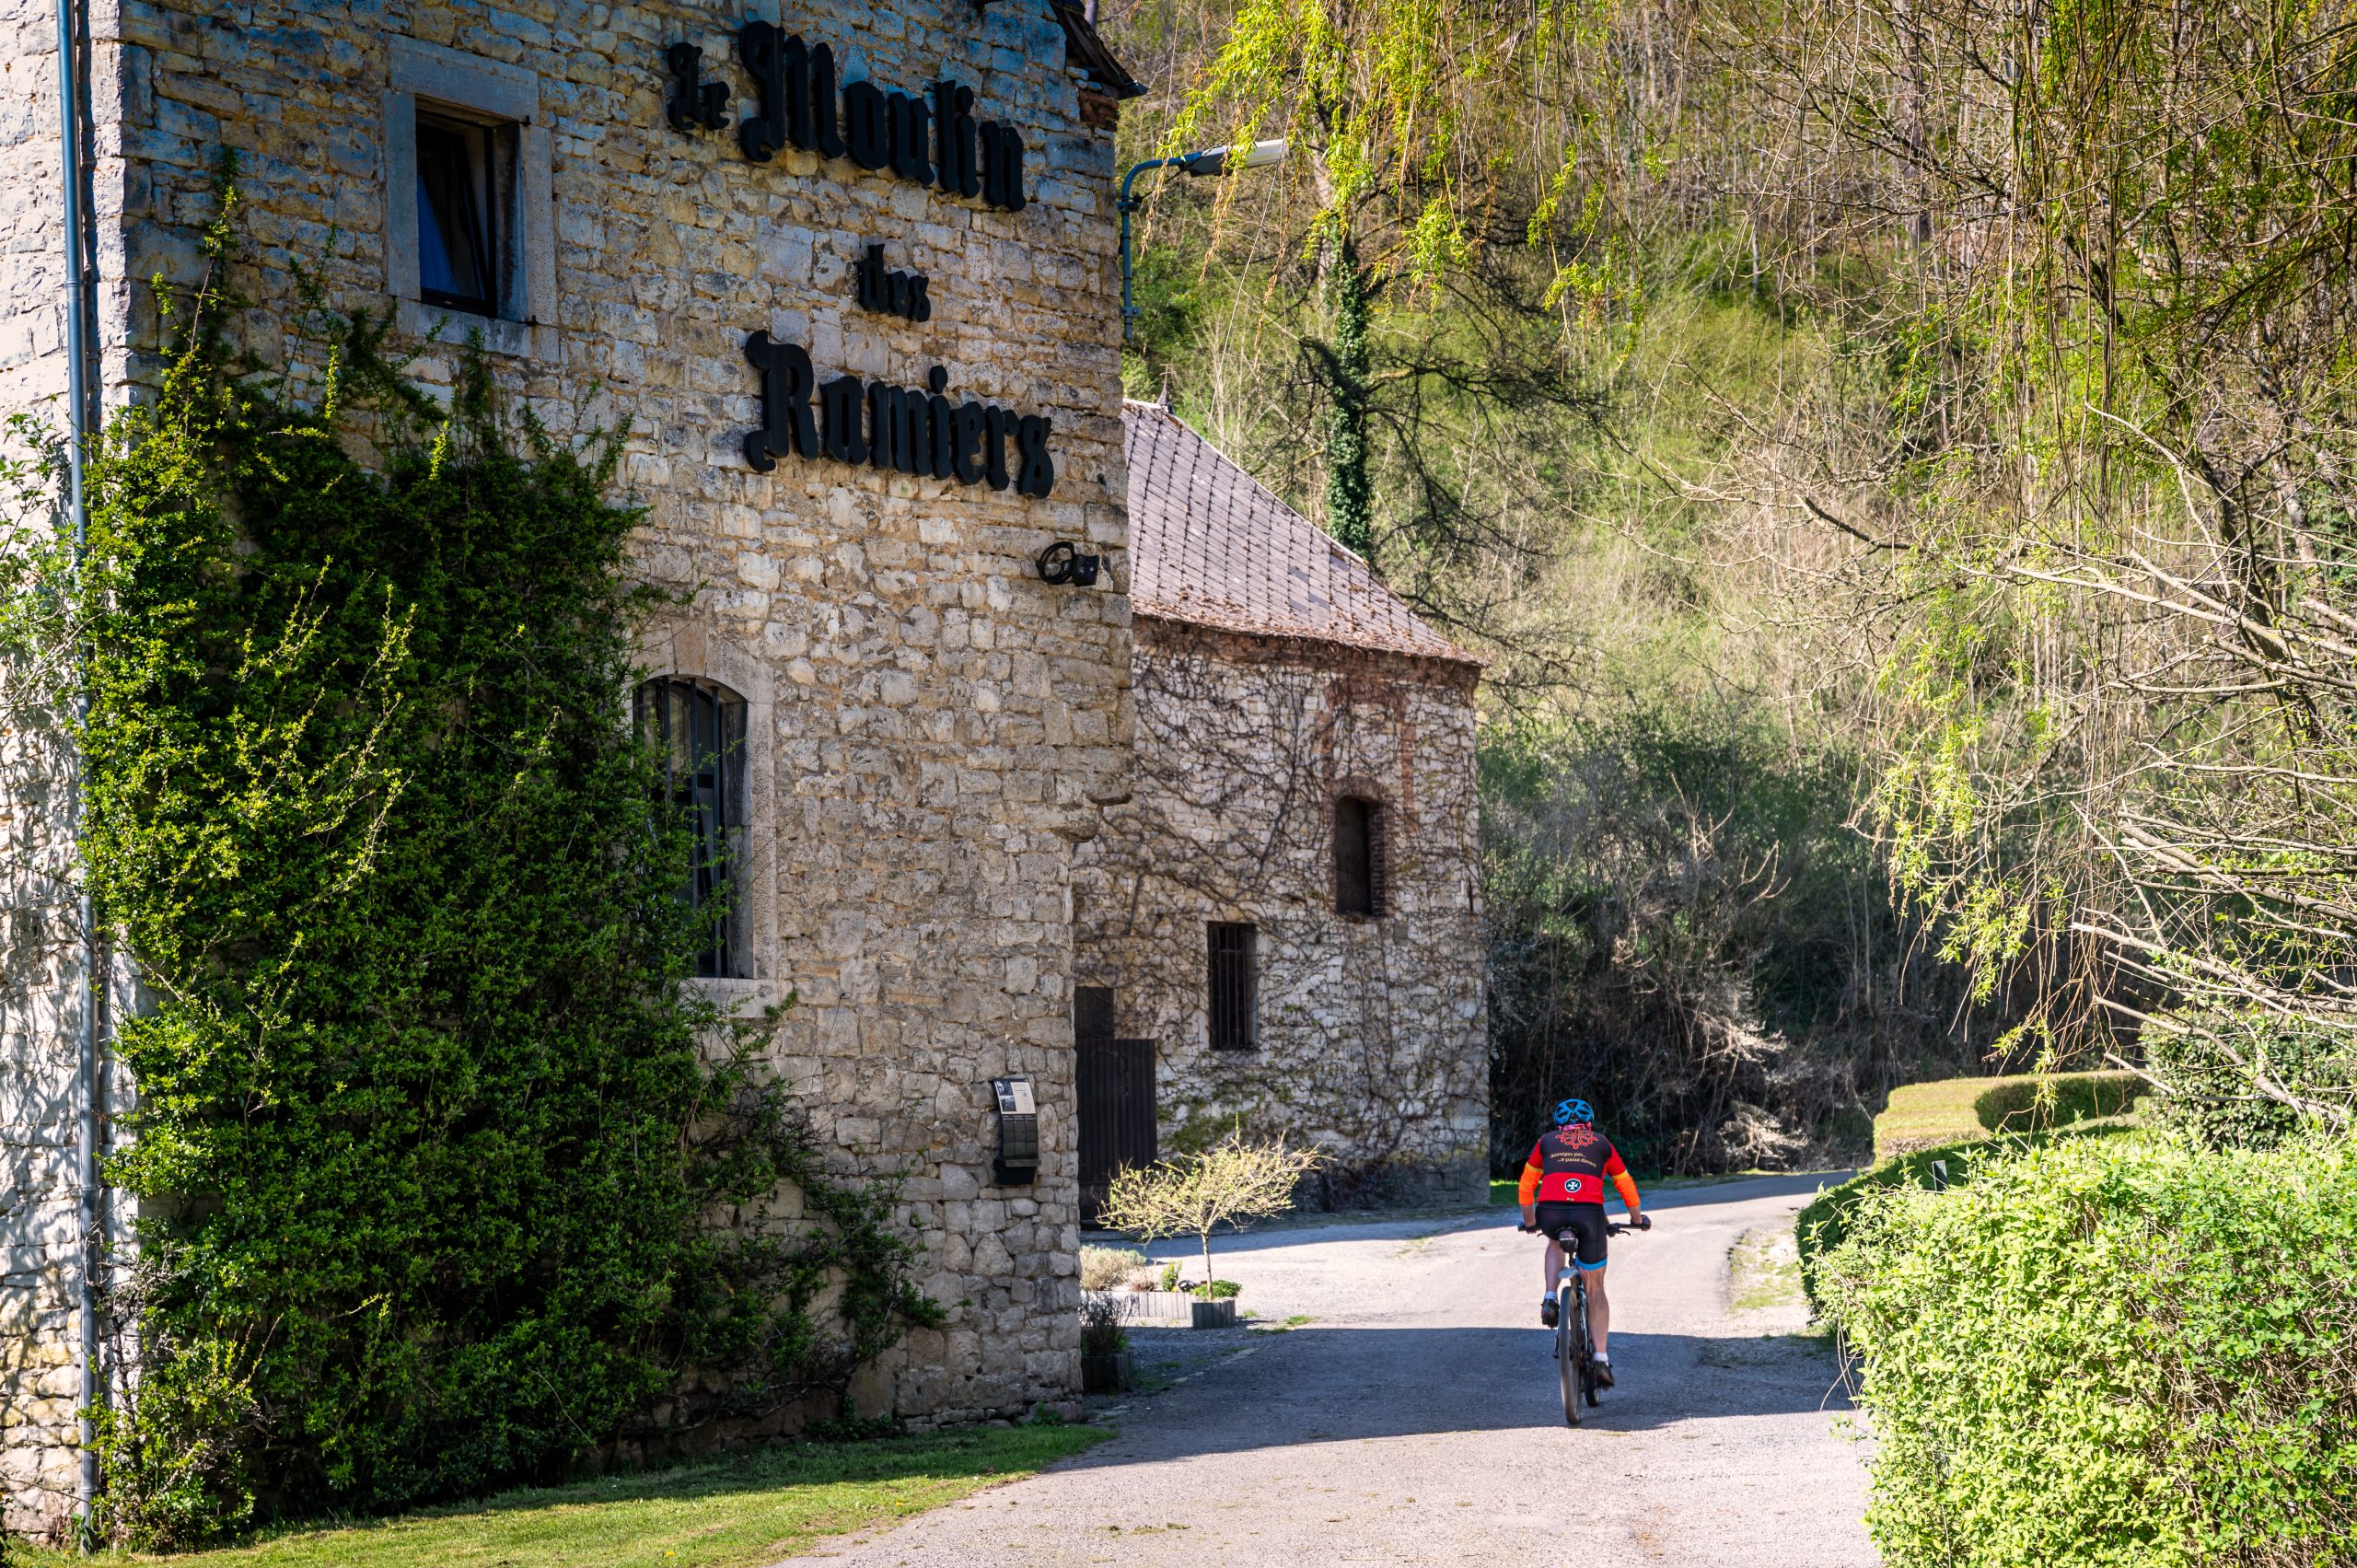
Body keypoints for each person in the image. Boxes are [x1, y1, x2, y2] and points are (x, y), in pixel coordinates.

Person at [1516, 1098, 1647, 1387]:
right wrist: (1637, 1219)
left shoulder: (1546, 1141)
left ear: (1559, 1125)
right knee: (1595, 1287)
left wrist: (1529, 1222)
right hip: (1589, 1215)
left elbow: (1526, 1185)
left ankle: (1550, 1297)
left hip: (1550, 1211)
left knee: (1553, 1242)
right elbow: (1625, 1184)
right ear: (1589, 1123)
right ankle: (1600, 1359)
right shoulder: (1601, 1143)